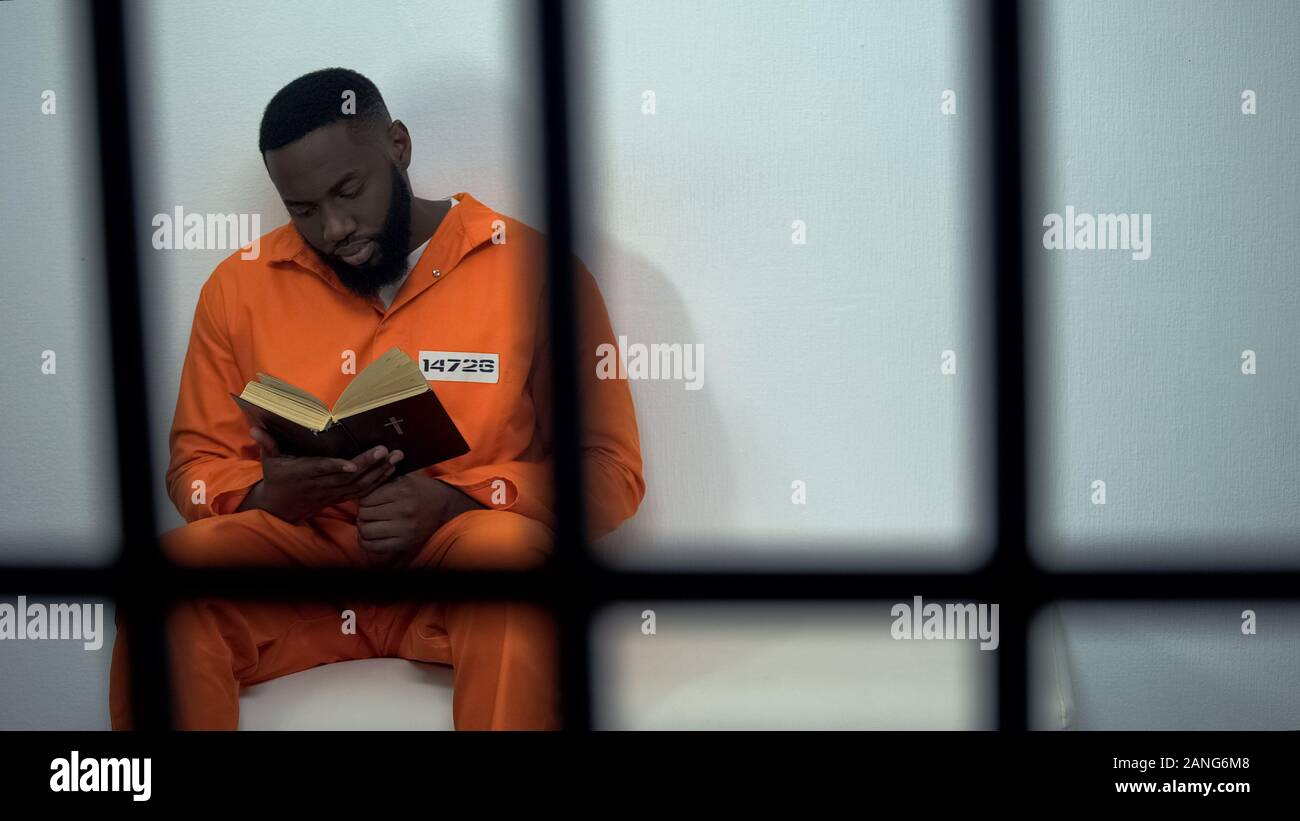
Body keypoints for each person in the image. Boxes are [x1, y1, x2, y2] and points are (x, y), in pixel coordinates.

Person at [109, 67, 645, 730]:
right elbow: (194, 469)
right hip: (307, 561)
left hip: (464, 558)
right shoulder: (237, 287)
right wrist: (267, 495)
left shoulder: (534, 269)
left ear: (398, 145)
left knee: (511, 563)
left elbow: (612, 473)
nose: (334, 227)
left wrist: (459, 498)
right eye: (302, 209)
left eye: (348, 190)